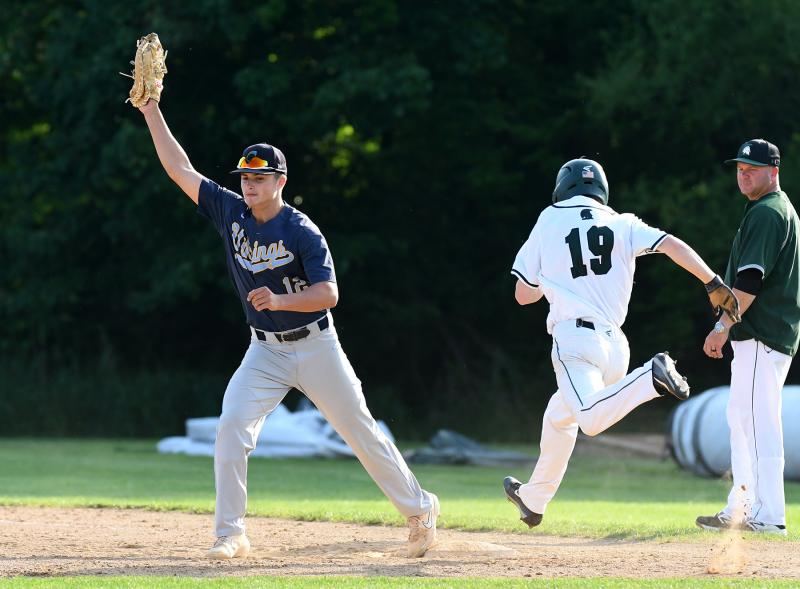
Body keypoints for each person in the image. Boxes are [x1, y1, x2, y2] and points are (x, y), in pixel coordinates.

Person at [136, 98, 439, 559]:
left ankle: (420, 510)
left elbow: (328, 294)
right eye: (245, 177)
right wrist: (151, 110)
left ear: (280, 182)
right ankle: (230, 534)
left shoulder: (302, 231)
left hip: (317, 346)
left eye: (259, 178)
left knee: (358, 430)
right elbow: (180, 169)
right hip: (265, 351)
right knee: (232, 426)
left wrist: (279, 300)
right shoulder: (231, 212)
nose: (250, 184)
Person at [502, 157, 740, 528]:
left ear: (562, 188)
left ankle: (652, 377)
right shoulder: (622, 222)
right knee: (558, 416)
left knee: (590, 419)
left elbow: (522, 294)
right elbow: (671, 244)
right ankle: (533, 499)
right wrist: (712, 281)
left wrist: (550, 283)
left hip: (575, 343)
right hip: (615, 347)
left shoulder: (549, 218)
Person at [696, 139, 800, 537]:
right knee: (741, 420)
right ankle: (741, 506)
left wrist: (722, 325)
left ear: (774, 171)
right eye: (740, 168)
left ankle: (768, 514)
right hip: (761, 336)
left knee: (757, 424)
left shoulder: (769, 213)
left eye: (752, 169)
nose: (743, 174)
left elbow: (750, 281)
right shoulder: (768, 209)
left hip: (761, 334)